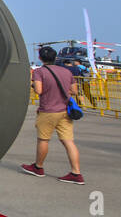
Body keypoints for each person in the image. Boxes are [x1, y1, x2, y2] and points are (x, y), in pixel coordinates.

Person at [21, 45, 84, 184]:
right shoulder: (66, 72)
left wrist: (34, 85)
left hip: (48, 111)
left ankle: (38, 167)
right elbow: (74, 90)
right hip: (65, 112)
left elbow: (38, 90)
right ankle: (76, 173)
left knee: (43, 140)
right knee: (68, 141)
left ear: (40, 58)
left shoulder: (39, 72)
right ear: (55, 57)